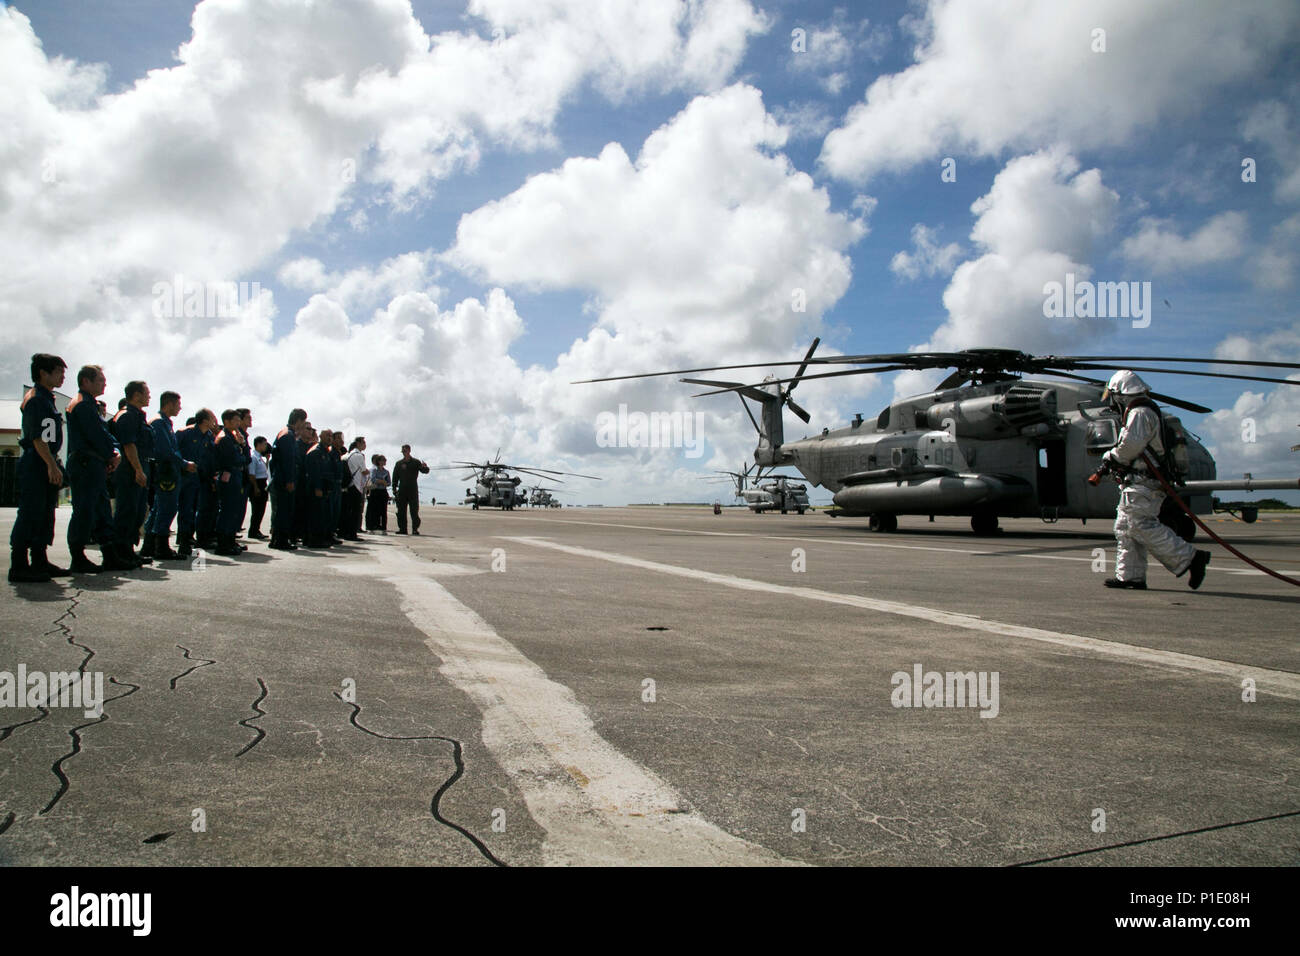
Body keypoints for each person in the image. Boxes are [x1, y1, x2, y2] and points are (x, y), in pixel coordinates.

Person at [1097, 370, 1211, 590]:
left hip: (1144, 482)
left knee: (1140, 525)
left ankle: (1191, 558)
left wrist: (1109, 457)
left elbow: (1130, 446)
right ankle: (1131, 577)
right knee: (1125, 528)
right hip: (1137, 481)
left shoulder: (1139, 413)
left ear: (1120, 394)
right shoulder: (1140, 412)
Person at [65, 366, 132, 573]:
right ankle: (77, 556)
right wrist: (112, 454)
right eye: (100, 380)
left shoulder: (91, 405)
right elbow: (95, 435)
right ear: (86, 381)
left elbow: (105, 435)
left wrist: (113, 451)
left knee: (102, 510)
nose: (104, 384)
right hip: (85, 463)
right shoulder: (82, 405)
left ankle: (109, 554)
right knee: (84, 510)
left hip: (95, 464)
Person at [9, 354, 69, 583]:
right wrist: (51, 465)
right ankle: (19, 564)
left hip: (45, 460)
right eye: (58, 371)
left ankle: (40, 560)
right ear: (43, 373)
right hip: (37, 462)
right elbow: (38, 438)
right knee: (30, 513)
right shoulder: (35, 399)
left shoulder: (46, 398)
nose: (63, 376)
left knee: (45, 514)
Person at [142, 391, 196, 560]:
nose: (180, 407)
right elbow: (166, 451)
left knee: (159, 508)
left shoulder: (164, 422)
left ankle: (149, 546)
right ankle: (161, 548)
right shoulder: (159, 423)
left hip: (167, 471)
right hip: (166, 472)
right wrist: (185, 463)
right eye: (178, 404)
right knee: (166, 509)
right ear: (170, 403)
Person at [110, 381, 155, 566]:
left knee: (136, 512)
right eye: (147, 393)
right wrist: (138, 470)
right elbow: (129, 445)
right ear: (136, 395)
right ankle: (120, 552)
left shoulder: (138, 416)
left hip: (141, 466)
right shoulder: (127, 416)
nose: (149, 396)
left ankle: (129, 550)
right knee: (127, 511)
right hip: (130, 469)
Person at [175, 409, 215, 559]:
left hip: (196, 478)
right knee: (176, 509)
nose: (214, 422)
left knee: (190, 510)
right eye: (212, 418)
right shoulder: (185, 433)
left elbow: (209, 458)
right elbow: (174, 451)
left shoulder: (208, 435)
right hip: (181, 476)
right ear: (204, 420)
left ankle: (186, 541)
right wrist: (183, 465)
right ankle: (159, 543)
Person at [269, 409, 307, 551]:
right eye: (303, 422)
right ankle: (281, 540)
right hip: (285, 480)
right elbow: (288, 461)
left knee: (281, 511)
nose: (303, 425)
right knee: (284, 512)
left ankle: (276, 540)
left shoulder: (284, 433)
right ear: (298, 421)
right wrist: (290, 480)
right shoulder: (288, 435)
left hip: (280, 477)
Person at [212, 409, 248, 556]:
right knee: (228, 510)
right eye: (235, 420)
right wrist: (243, 454)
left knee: (233, 510)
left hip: (235, 475)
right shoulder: (225, 438)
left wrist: (243, 446)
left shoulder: (233, 437)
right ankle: (223, 543)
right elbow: (234, 459)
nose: (238, 423)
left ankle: (230, 540)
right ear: (226, 421)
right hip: (229, 475)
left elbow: (244, 457)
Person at [304, 428, 333, 548]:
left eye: (331, 436)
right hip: (316, 488)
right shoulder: (316, 451)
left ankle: (319, 538)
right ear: (321, 437)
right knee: (315, 515)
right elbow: (314, 472)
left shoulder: (325, 452)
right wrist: (318, 487)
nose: (330, 438)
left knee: (321, 515)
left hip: (323, 488)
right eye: (327, 436)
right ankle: (314, 540)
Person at [392, 444, 430, 534]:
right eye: (403, 451)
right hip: (402, 490)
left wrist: (425, 467)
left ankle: (415, 529)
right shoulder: (399, 463)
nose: (404, 453)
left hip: (413, 489)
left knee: (414, 511)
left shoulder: (416, 462)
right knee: (401, 511)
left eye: (405, 451)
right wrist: (394, 488)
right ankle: (403, 529)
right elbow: (395, 477)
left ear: (409, 451)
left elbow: (425, 471)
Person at [340, 436, 367, 540]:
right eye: (363, 443)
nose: (365, 445)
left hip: (350, 485)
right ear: (359, 443)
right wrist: (367, 472)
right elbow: (364, 471)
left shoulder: (350, 454)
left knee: (349, 510)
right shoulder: (359, 455)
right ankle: (352, 534)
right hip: (356, 485)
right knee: (355, 511)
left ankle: (346, 532)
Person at [247, 435, 270, 540]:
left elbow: (264, 470)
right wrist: (256, 487)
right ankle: (253, 531)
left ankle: (256, 529)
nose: (266, 446)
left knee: (261, 510)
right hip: (257, 484)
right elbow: (252, 474)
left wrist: (267, 460)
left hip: (262, 483)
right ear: (259, 444)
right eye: (264, 444)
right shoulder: (253, 457)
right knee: (257, 510)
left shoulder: (260, 457)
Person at [365, 454, 390, 532]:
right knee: (373, 510)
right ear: (379, 461)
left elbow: (389, 483)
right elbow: (373, 479)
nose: (384, 461)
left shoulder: (386, 471)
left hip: (383, 491)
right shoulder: (374, 470)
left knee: (383, 510)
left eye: (385, 460)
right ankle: (371, 525)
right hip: (375, 491)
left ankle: (383, 526)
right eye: (382, 460)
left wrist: (383, 482)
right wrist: (382, 481)